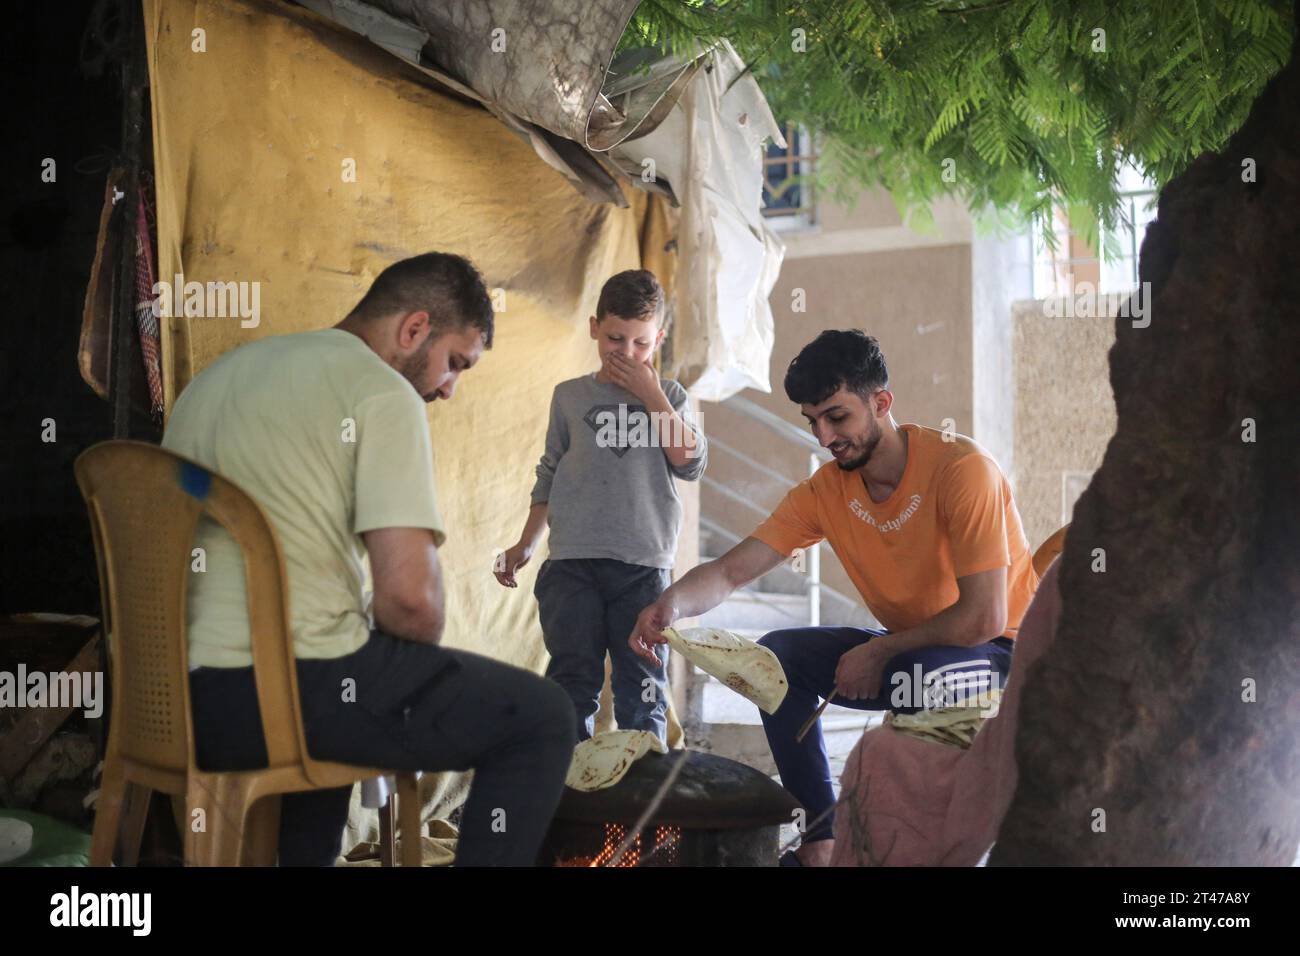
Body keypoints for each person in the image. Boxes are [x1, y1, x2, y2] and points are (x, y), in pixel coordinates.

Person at [163, 252, 576, 866]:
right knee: (542, 716)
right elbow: (411, 603)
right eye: (455, 363)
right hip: (280, 700)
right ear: (414, 330)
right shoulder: (382, 393)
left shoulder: (220, 375)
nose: (449, 388)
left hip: (171, 696)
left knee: (348, 672)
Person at [628, 329, 1037, 866]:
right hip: (914, 649)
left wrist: (882, 652)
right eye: (813, 421)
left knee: (925, 674)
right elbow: (731, 571)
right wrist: (670, 606)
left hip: (1002, 654)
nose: (824, 436)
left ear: (881, 403)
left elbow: (986, 616)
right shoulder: (826, 491)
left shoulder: (963, 470)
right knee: (775, 659)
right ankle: (821, 840)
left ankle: (912, 852)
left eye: (837, 417)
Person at [494, 270, 707, 745]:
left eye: (641, 344)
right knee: (571, 680)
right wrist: (526, 543)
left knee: (642, 686)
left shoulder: (670, 397)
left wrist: (652, 394)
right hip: (572, 565)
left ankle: (643, 803)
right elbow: (549, 472)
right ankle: (570, 795)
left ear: (660, 339)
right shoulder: (569, 396)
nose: (627, 354)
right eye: (615, 338)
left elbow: (689, 463)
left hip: (642, 569)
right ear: (594, 328)